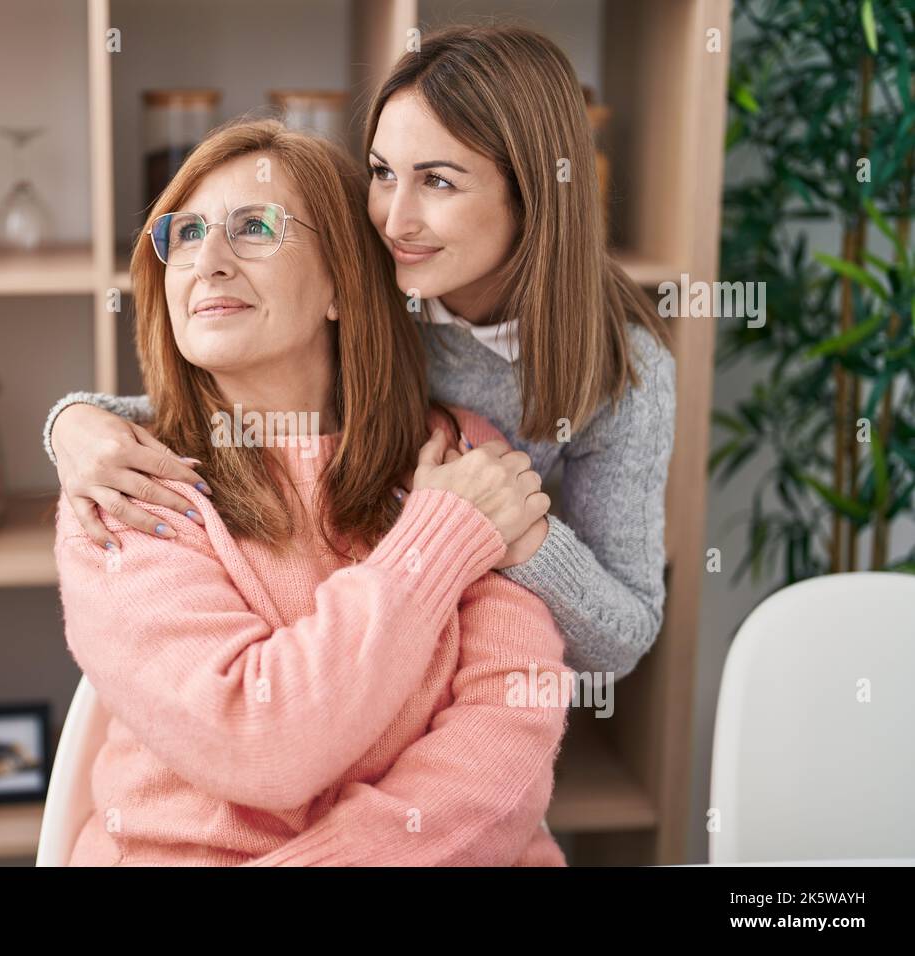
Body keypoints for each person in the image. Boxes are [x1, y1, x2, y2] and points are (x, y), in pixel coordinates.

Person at [55, 118, 570, 865]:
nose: (210, 261)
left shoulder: (459, 453)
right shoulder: (125, 492)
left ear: (340, 280)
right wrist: (441, 536)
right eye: (187, 232)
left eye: (254, 226)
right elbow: (259, 740)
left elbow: (508, 728)